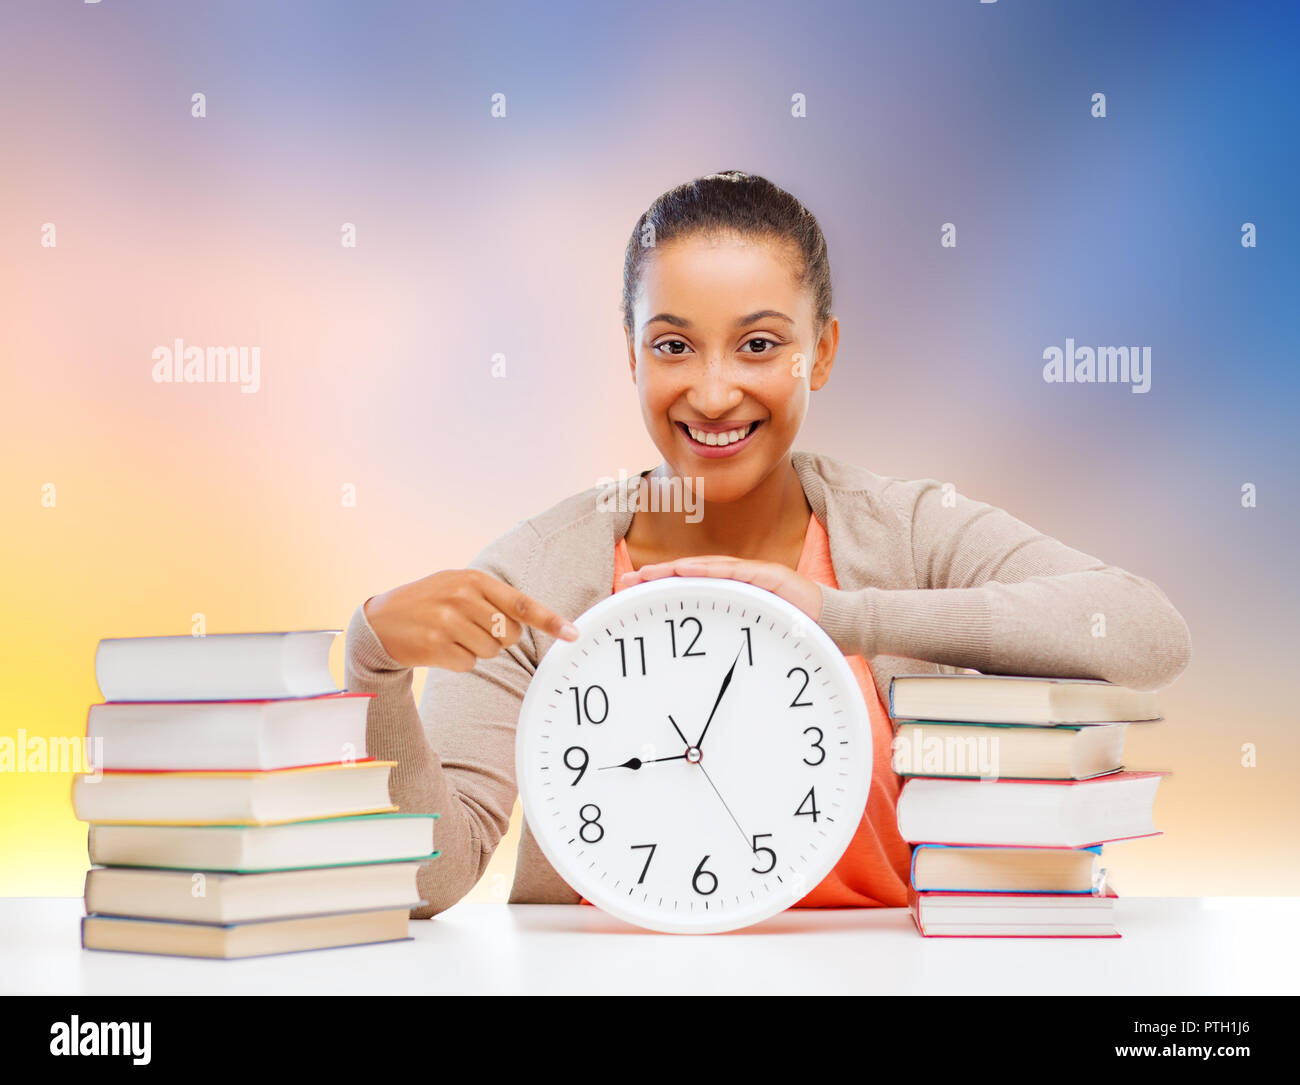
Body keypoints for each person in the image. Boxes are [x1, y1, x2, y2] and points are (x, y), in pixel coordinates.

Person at [346, 170, 1191, 918]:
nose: (714, 393)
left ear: (818, 353)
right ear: (632, 356)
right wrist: (374, 661)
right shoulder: (537, 571)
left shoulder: (903, 530)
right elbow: (429, 882)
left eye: (759, 344)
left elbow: (1147, 632)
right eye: (673, 345)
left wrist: (841, 615)